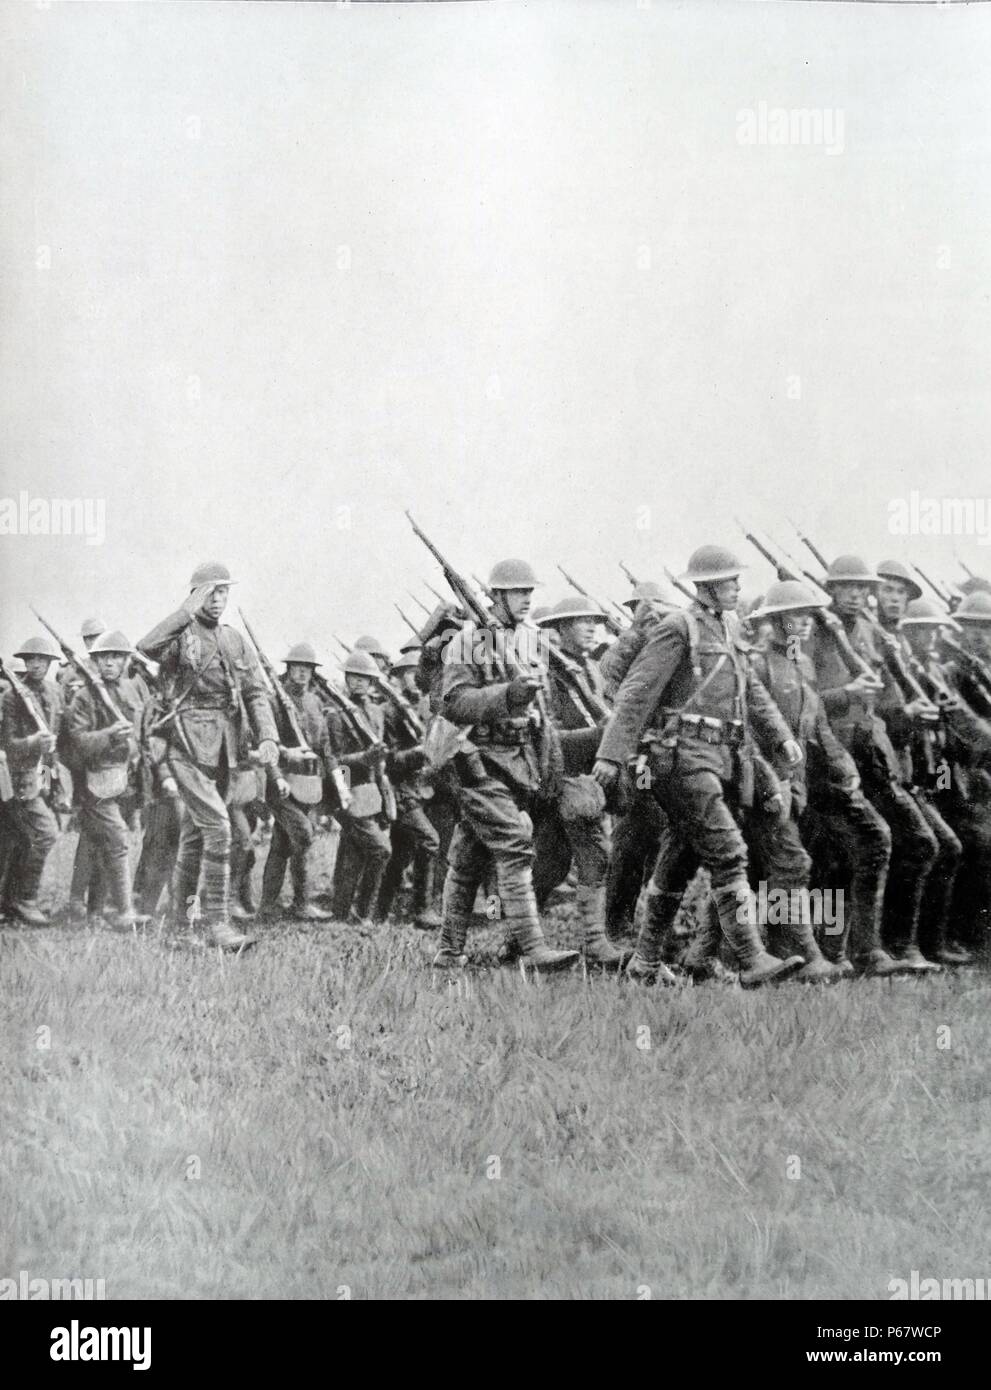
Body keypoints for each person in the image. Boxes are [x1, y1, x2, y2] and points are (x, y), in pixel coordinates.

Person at [593, 545, 805, 988]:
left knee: (680, 858)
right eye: (731, 581)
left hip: (724, 757)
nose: (738, 587)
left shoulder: (730, 627)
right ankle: (752, 959)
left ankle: (646, 964)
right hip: (681, 758)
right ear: (708, 585)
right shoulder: (678, 628)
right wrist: (610, 757)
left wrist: (781, 736)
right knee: (729, 851)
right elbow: (636, 692)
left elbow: (752, 694)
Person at [434, 558, 579, 971]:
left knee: (468, 857)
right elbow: (453, 702)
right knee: (515, 844)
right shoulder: (467, 641)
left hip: (520, 761)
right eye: (518, 592)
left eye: (530, 592)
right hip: (477, 760)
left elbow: (544, 706)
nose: (527, 599)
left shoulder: (533, 639)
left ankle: (448, 953)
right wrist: (508, 695)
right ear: (496, 595)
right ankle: (533, 950)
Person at [137, 562, 280, 950]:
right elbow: (146, 647)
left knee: (196, 838)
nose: (218, 599)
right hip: (185, 743)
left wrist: (267, 734)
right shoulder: (180, 634)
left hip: (225, 748)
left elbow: (254, 691)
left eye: (223, 592)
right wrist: (185, 610)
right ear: (196, 593)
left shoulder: (233, 640)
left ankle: (180, 928)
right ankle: (218, 923)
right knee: (219, 828)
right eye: (210, 592)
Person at [812, 556, 940, 973]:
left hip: (873, 756)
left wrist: (908, 712)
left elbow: (884, 701)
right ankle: (839, 953)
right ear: (830, 589)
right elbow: (799, 699)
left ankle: (889, 948)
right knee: (837, 856)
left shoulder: (871, 633)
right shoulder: (813, 630)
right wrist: (845, 693)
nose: (854, 594)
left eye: (860, 587)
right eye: (845, 586)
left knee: (919, 843)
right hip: (826, 758)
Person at [533, 596, 629, 967]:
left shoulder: (591, 669)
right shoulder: (547, 674)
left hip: (587, 778)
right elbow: (547, 738)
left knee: (552, 864)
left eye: (594, 621)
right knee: (590, 854)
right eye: (581, 622)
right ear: (558, 629)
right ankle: (595, 943)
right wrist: (598, 735)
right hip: (562, 779)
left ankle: (517, 938)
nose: (592, 628)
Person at [65, 631, 148, 930]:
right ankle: (124, 912)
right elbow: (78, 742)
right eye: (103, 657)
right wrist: (110, 735)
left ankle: (93, 911)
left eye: (116, 656)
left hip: (124, 780)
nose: (110, 662)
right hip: (94, 781)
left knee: (100, 847)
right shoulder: (84, 697)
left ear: (126, 660)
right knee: (117, 839)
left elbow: (141, 734)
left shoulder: (130, 692)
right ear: (95, 661)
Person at [257, 642, 335, 922]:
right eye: (297, 668)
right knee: (303, 834)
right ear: (288, 670)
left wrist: (336, 786)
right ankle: (301, 901)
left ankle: (269, 905)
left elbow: (325, 748)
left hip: (308, 784)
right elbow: (266, 744)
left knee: (282, 844)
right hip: (281, 783)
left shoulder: (315, 702)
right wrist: (277, 776)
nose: (302, 674)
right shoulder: (273, 701)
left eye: (307, 669)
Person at [324, 649, 393, 925]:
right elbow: (334, 761)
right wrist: (363, 759)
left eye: (364, 678)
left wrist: (384, 792)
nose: (358, 683)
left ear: (373, 682)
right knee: (381, 850)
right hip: (349, 791)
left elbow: (380, 759)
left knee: (353, 857)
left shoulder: (377, 712)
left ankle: (341, 914)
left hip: (372, 791)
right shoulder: (336, 716)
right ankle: (362, 911)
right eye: (353, 677)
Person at [1, 636, 63, 925]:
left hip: (42, 776)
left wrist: (56, 782)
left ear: (51, 662)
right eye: (30, 659)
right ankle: (25, 899)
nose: (35, 664)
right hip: (16, 780)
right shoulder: (12, 696)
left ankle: (11, 901)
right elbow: (10, 744)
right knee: (45, 833)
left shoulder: (54, 692)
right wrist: (33, 742)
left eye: (41, 659)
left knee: (20, 840)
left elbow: (57, 740)